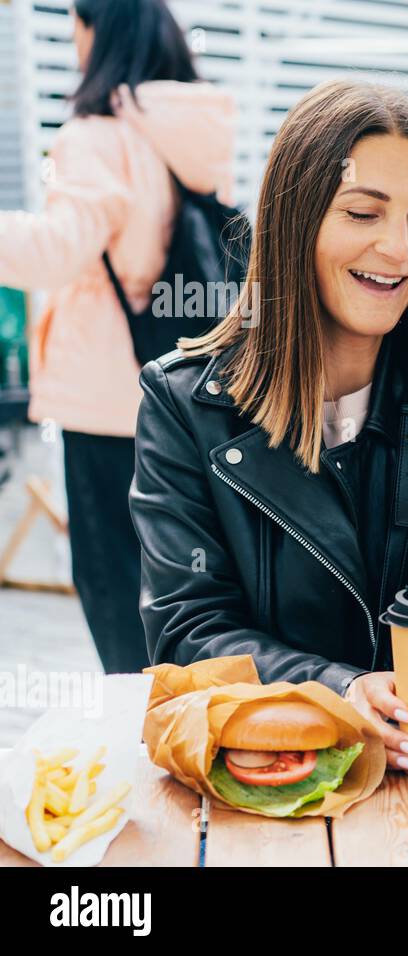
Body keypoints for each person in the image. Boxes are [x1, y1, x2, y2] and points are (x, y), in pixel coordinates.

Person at [128, 79, 408, 770]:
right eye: (363, 213)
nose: (399, 249)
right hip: (280, 796)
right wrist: (338, 691)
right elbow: (188, 630)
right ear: (293, 220)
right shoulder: (184, 405)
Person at [0, 0, 236, 673]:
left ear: (99, 31)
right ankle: (192, 711)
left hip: (105, 397)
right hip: (183, 391)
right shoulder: (186, 138)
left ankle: (144, 726)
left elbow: (57, 251)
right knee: (180, 577)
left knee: (110, 581)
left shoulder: (97, 136)